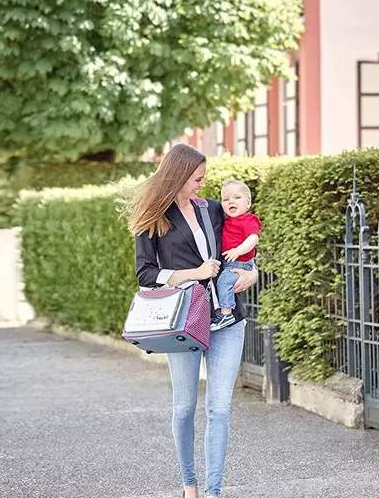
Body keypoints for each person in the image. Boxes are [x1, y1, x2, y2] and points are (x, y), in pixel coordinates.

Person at [123, 144, 259, 498]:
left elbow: (242, 243)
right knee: (184, 407)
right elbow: (145, 273)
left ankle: (214, 491)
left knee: (220, 408)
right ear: (179, 176)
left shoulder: (212, 209)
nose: (202, 184)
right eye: (197, 178)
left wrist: (253, 271)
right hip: (183, 324)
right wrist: (192, 273)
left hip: (228, 321)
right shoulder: (155, 216)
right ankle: (189, 484)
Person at [210, 180, 261, 331]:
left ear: (248, 203)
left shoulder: (248, 219)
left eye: (237, 198)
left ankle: (226, 313)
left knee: (224, 281)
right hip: (230, 263)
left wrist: (238, 251)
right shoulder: (228, 221)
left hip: (240, 264)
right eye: (226, 200)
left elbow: (253, 238)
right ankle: (224, 312)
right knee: (223, 282)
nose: (231, 201)